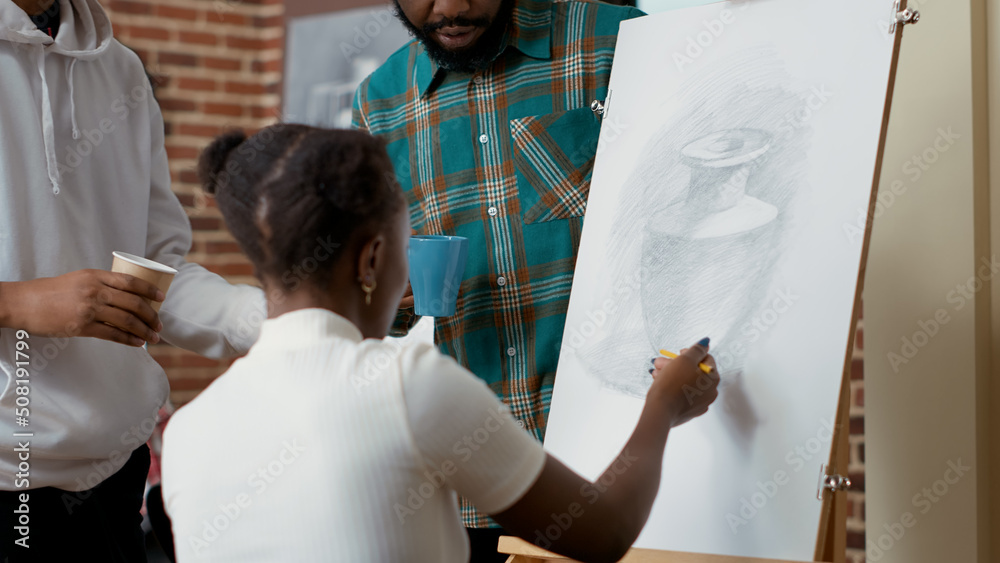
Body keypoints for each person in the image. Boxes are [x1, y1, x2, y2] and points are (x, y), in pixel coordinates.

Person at [160, 125, 718, 563]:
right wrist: (664, 406)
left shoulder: (187, 433)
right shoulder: (406, 383)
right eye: (406, 246)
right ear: (373, 259)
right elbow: (605, 532)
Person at [352, 0, 645, 555]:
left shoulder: (619, 40)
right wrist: (389, 296)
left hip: (621, 453)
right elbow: (380, 310)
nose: (452, 8)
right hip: (480, 487)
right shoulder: (378, 104)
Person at [0, 0, 265, 560]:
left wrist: (279, 321)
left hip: (113, 471)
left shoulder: (119, 71)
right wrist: (15, 302)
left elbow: (155, 271)